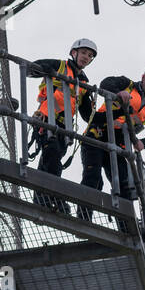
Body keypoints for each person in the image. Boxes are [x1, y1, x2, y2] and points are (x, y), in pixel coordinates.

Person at [80, 63, 145, 215]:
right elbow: (105, 83)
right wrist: (119, 92)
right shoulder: (127, 84)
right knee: (92, 177)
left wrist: (143, 143)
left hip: (119, 146)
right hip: (97, 135)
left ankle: (125, 227)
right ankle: (83, 217)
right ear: (144, 78)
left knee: (123, 186)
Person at [29, 38, 97, 213]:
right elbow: (30, 69)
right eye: (83, 53)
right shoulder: (60, 66)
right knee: (52, 158)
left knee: (49, 160)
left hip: (64, 129)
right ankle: (57, 198)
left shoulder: (83, 84)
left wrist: (94, 106)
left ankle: (40, 200)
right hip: (46, 120)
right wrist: (47, 71)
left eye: (90, 56)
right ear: (74, 53)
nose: (86, 57)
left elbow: (86, 114)